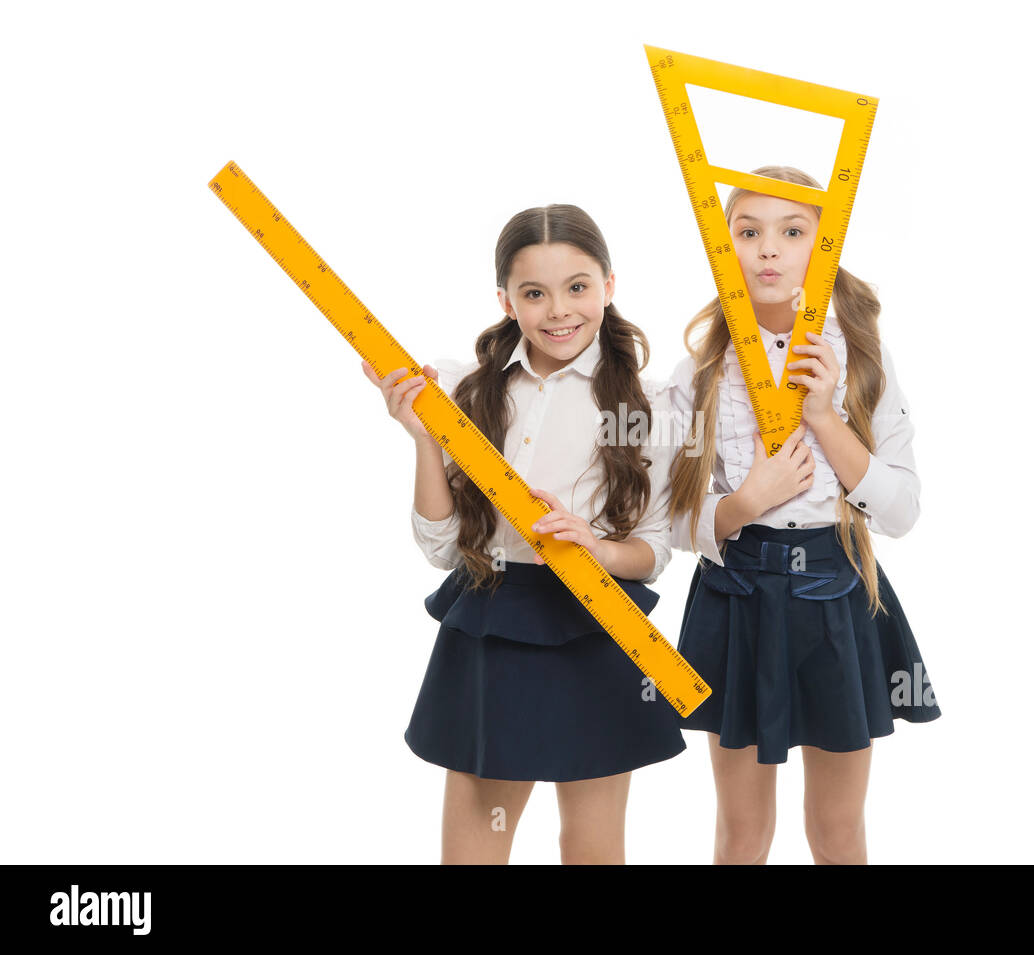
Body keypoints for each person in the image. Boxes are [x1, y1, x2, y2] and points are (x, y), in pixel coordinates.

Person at [364, 204, 685, 864]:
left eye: (578, 286)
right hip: (495, 630)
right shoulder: (464, 390)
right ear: (506, 301)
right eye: (534, 292)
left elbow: (653, 551)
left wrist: (593, 546)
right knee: (474, 854)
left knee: (593, 850)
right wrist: (425, 441)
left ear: (609, 285)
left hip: (598, 631)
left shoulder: (650, 407)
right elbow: (441, 548)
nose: (559, 310)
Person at [658, 165, 941, 864]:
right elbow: (668, 520)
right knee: (741, 832)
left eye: (792, 232)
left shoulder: (864, 359)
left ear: (824, 247)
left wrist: (825, 417)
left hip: (836, 593)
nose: (768, 251)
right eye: (748, 232)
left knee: (837, 831)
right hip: (738, 594)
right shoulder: (699, 370)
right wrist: (746, 501)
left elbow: (902, 510)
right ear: (724, 246)